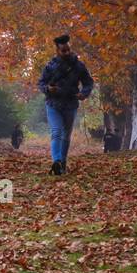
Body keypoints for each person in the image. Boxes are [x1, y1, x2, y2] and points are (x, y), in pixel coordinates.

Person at [37, 33, 93, 175]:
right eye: (63, 50)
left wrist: (84, 93)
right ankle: (56, 161)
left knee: (66, 136)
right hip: (53, 104)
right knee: (56, 132)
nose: (67, 52)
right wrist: (48, 89)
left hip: (70, 104)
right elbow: (41, 83)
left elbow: (88, 82)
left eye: (68, 49)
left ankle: (62, 162)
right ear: (57, 50)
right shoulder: (50, 66)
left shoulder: (78, 66)